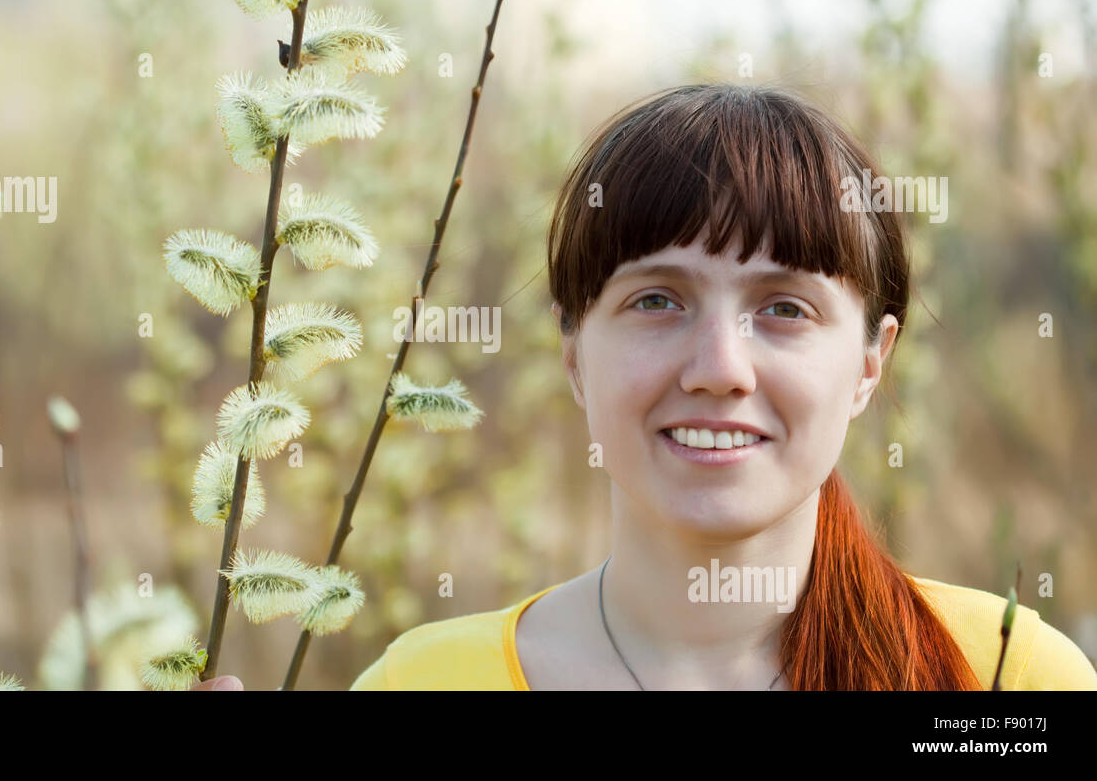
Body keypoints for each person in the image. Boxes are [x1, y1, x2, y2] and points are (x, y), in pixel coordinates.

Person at [204, 83, 1097, 691]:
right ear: (572, 353)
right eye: (657, 299)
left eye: (784, 307)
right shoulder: (425, 682)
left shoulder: (1008, 683)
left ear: (870, 362)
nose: (718, 367)